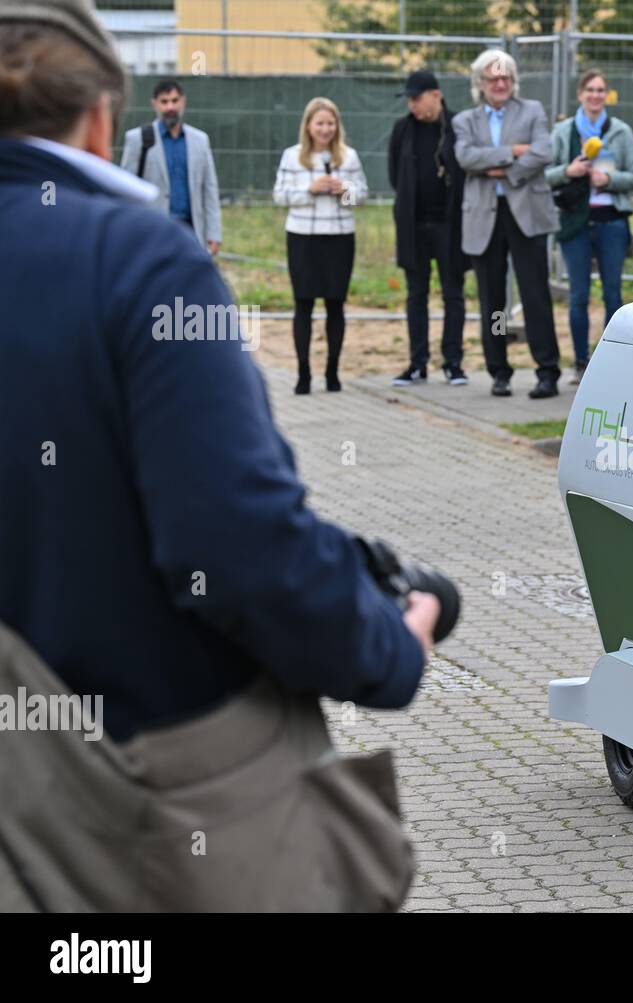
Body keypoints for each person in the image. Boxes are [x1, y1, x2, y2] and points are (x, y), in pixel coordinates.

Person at [0, 0, 436, 908]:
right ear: (99, 116)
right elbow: (236, 546)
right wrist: (389, 643)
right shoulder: (134, 259)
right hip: (137, 804)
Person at [452, 49, 562, 399]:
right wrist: (514, 151)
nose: (500, 83)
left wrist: (505, 171)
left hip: (526, 213)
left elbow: (544, 151)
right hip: (484, 216)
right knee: (493, 301)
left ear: (513, 81)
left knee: (535, 294)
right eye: (492, 78)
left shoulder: (532, 111)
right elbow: (466, 157)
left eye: (505, 77)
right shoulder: (465, 121)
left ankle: (547, 370)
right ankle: (499, 371)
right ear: (479, 84)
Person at [546, 68, 633, 384]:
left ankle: (612, 362)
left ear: (607, 95)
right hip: (575, 220)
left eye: (601, 90)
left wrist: (609, 180)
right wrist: (569, 170)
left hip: (611, 221)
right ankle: (580, 362)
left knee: (613, 293)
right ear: (580, 94)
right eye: (590, 90)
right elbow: (544, 174)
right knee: (578, 295)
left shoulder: (621, 131)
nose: (596, 95)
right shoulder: (563, 131)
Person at [273, 97, 367, 395]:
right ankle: (303, 373)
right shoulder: (292, 157)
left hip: (338, 237)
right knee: (304, 303)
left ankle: (332, 371)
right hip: (303, 237)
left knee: (335, 303)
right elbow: (280, 195)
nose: (325, 129)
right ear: (308, 126)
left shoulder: (348, 158)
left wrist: (345, 191)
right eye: (320, 123)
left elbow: (362, 196)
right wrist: (309, 190)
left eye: (330, 123)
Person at [388, 69, 468, 388]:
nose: (412, 106)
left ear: (436, 95)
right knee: (416, 294)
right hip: (413, 226)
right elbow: (396, 175)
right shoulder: (402, 130)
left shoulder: (457, 126)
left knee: (453, 293)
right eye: (408, 100)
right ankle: (417, 363)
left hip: (450, 226)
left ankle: (453, 362)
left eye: (416, 99)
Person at [119, 77, 220, 255]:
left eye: (174, 101)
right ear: (154, 104)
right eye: (164, 102)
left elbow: (209, 188)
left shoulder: (200, 140)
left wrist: (214, 232)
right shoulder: (138, 139)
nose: (170, 107)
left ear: (183, 101)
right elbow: (127, 190)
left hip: (192, 229)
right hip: (154, 230)